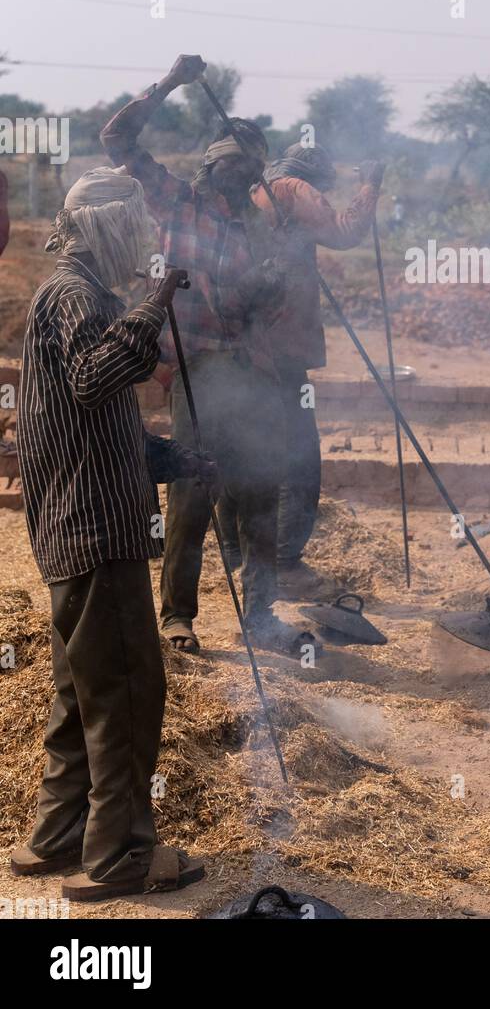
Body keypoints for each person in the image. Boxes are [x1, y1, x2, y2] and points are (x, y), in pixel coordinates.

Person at [11, 168, 214, 902]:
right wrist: (154, 306)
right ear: (103, 226)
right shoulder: (75, 295)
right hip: (96, 534)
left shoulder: (74, 294)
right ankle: (121, 858)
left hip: (76, 527)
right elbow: (99, 379)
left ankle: (57, 837)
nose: (146, 236)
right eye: (135, 222)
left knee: (83, 696)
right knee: (128, 691)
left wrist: (174, 459)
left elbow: (93, 421)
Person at [100, 55, 301, 655]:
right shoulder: (176, 202)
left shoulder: (257, 226)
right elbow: (118, 137)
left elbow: (256, 310)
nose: (242, 175)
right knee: (192, 487)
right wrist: (171, 82)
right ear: (211, 162)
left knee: (264, 486)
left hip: (251, 368)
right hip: (195, 366)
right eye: (234, 161)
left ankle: (260, 614)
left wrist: (271, 285)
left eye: (253, 168)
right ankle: (177, 617)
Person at [250, 141, 383, 573]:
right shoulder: (291, 188)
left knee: (254, 450)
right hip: (283, 348)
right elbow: (345, 231)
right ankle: (285, 562)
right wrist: (371, 184)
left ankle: (245, 556)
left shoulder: (256, 190)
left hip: (249, 347)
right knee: (300, 457)